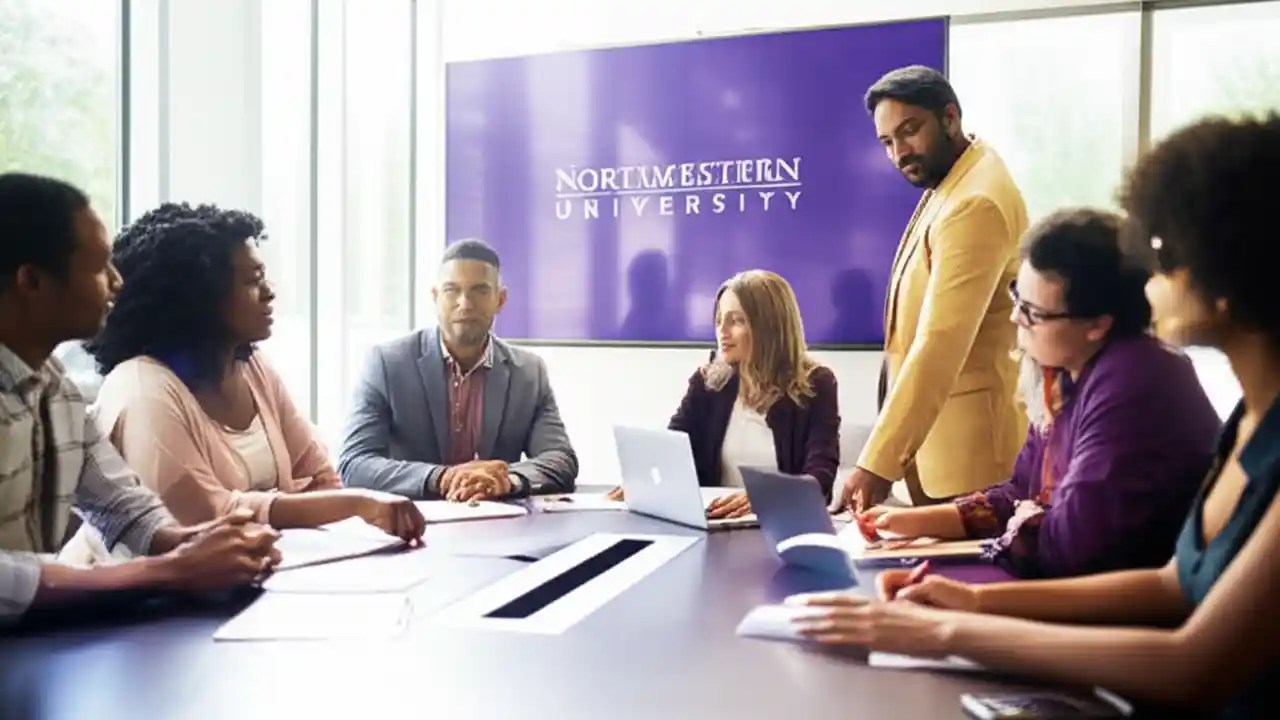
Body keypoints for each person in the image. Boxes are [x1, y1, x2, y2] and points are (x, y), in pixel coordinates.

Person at [792, 116, 1280, 717]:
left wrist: (941, 631)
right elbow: (1171, 585)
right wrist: (972, 603)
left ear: (1230, 269)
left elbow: (1195, 667)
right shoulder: (1247, 421)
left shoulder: (1140, 376)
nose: (1146, 279)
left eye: (1163, 254)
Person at [859, 208, 1219, 578]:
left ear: (1097, 324)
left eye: (1032, 312)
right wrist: (913, 522)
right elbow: (1020, 492)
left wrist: (1028, 517)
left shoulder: (1134, 380)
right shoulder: (1064, 375)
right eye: (1017, 296)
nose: (1015, 317)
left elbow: (1070, 545)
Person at [0, 173, 280, 624]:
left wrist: (207, 544)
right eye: (99, 268)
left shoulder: (54, 389)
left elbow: (123, 506)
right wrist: (171, 571)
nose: (117, 283)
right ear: (31, 281)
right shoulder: (141, 385)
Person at [87, 203, 423, 541]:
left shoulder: (251, 366)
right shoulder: (142, 389)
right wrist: (355, 504)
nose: (269, 292)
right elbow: (205, 517)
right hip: (155, 574)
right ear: (200, 296)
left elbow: (320, 478)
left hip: (268, 563)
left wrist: (342, 506)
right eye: (253, 280)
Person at [833, 65, 1028, 513]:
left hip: (972, 465)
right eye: (887, 142)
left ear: (950, 118)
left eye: (910, 131)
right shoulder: (955, 178)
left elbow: (940, 343)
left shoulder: (974, 202)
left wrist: (877, 462)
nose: (899, 152)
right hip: (942, 455)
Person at [340, 239, 577, 500]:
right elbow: (355, 463)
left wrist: (506, 480)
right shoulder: (387, 363)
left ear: (500, 299)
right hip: (415, 518)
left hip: (496, 518)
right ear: (435, 297)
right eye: (452, 290)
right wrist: (442, 478)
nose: (465, 303)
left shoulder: (529, 373)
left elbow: (560, 459)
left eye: (480, 291)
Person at [609, 270, 840, 519]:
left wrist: (765, 497)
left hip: (782, 523)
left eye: (736, 321)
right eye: (719, 320)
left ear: (769, 327)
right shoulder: (707, 383)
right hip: (717, 523)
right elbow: (672, 448)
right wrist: (644, 480)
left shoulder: (816, 384)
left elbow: (820, 480)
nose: (722, 331)